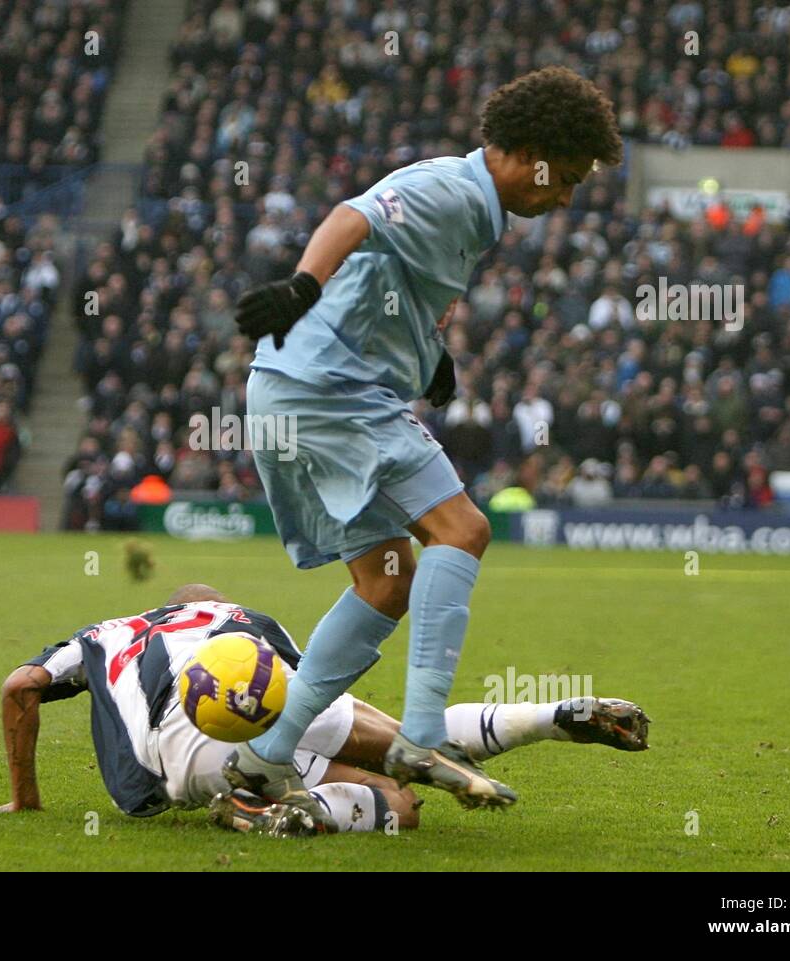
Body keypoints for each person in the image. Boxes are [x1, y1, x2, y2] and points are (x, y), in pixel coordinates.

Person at [229, 67, 624, 826]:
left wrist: (429, 351)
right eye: (563, 179)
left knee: (386, 581)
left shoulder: (475, 211)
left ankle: (266, 759)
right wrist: (302, 286)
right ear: (528, 154)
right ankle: (416, 739)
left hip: (294, 391)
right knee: (464, 529)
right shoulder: (451, 190)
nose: (565, 198)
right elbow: (355, 217)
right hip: (328, 390)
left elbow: (394, 273)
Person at [0, 584, 650, 837]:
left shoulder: (104, 633)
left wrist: (25, 796)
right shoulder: (242, 615)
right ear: (207, 601)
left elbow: (18, 687)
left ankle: (279, 808)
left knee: (398, 811)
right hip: (271, 685)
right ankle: (546, 717)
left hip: (176, 746)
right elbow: (313, 684)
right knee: (400, 767)